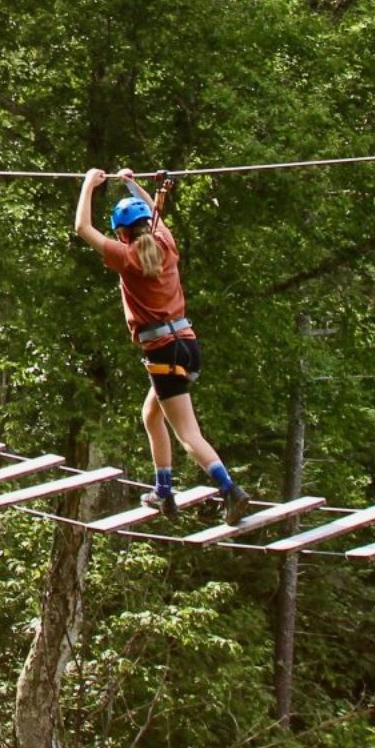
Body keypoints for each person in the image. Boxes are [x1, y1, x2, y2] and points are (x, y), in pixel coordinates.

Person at [73, 166, 251, 524]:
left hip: (162, 352)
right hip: (187, 345)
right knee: (151, 414)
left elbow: (82, 228)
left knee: (187, 433)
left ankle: (231, 490)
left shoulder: (126, 257)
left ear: (121, 234)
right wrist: (131, 184)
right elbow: (157, 215)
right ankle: (163, 492)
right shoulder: (166, 244)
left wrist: (88, 185)